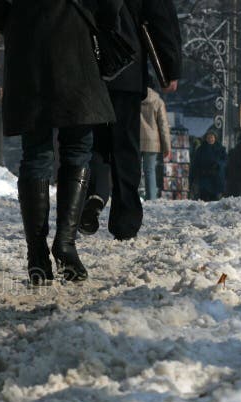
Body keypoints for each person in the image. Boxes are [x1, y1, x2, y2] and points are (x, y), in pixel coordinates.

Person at [0, 0, 121, 284]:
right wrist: (98, 18)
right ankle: (65, 244)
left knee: (35, 153)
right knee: (76, 149)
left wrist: (13, 18)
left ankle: (36, 254)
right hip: (75, 39)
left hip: (27, 41)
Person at [80, 0, 182, 240]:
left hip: (87, 65)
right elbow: (160, 16)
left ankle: (94, 195)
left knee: (95, 141)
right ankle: (125, 219)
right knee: (125, 145)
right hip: (127, 65)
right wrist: (170, 67)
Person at [139, 86, 171, 200]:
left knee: (134, 170)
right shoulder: (158, 101)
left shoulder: (134, 99)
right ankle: (151, 198)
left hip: (135, 140)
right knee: (150, 170)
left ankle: (132, 197)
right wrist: (167, 147)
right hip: (152, 142)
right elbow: (163, 126)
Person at [191, 128, 227, 201]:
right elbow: (196, 163)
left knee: (216, 201)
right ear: (206, 138)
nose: (210, 139)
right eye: (208, 137)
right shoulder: (201, 149)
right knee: (204, 199)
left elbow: (225, 161)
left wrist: (218, 164)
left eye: (212, 137)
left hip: (216, 178)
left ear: (215, 138)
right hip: (204, 178)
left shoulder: (221, 149)